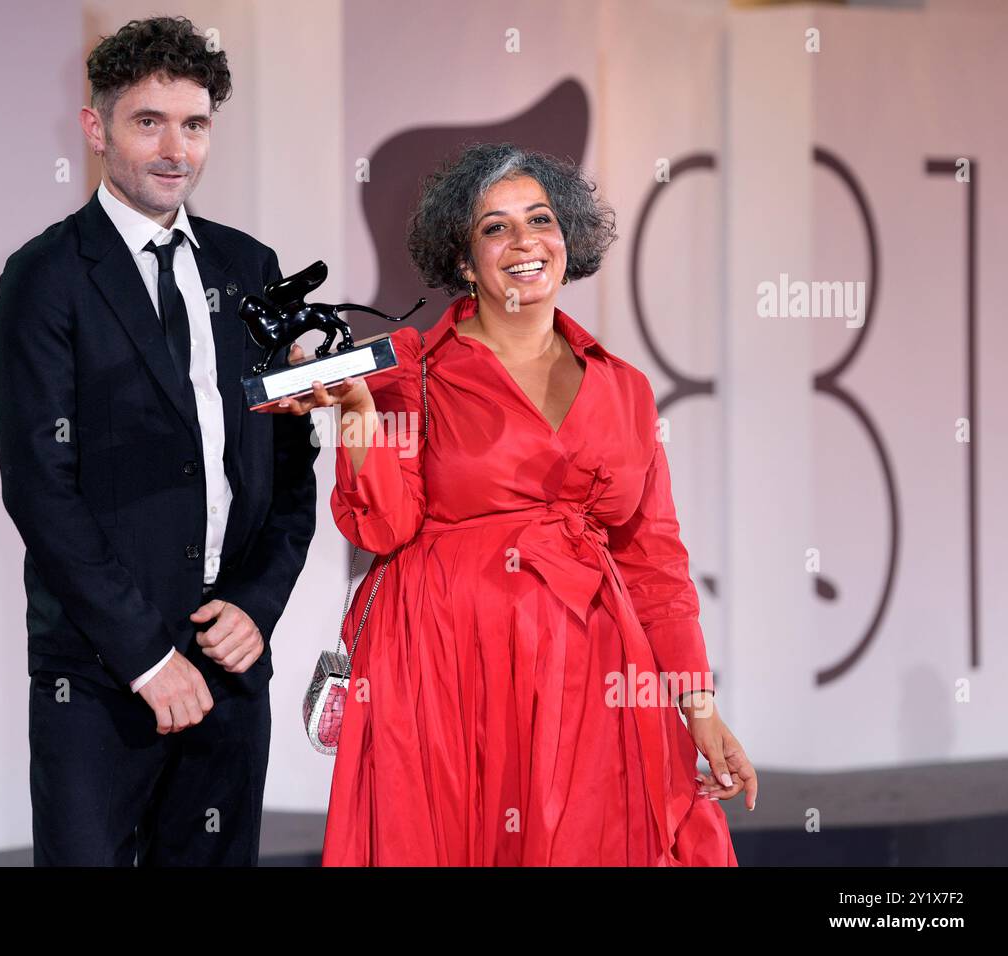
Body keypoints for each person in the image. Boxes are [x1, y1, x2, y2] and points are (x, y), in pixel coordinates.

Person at [269, 142, 755, 865]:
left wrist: (700, 708)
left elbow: (655, 562)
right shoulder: (409, 367)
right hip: (444, 665)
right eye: (495, 228)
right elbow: (383, 525)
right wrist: (362, 414)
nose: (525, 241)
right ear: (465, 261)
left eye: (540, 220)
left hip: (591, 672)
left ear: (568, 239)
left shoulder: (623, 387)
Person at [0, 17, 317, 866]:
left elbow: (291, 463)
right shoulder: (45, 276)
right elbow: (39, 488)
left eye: (195, 124)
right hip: (100, 674)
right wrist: (145, 657)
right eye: (149, 122)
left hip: (229, 656)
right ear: (95, 129)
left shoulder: (249, 268)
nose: (176, 150)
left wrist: (258, 605)